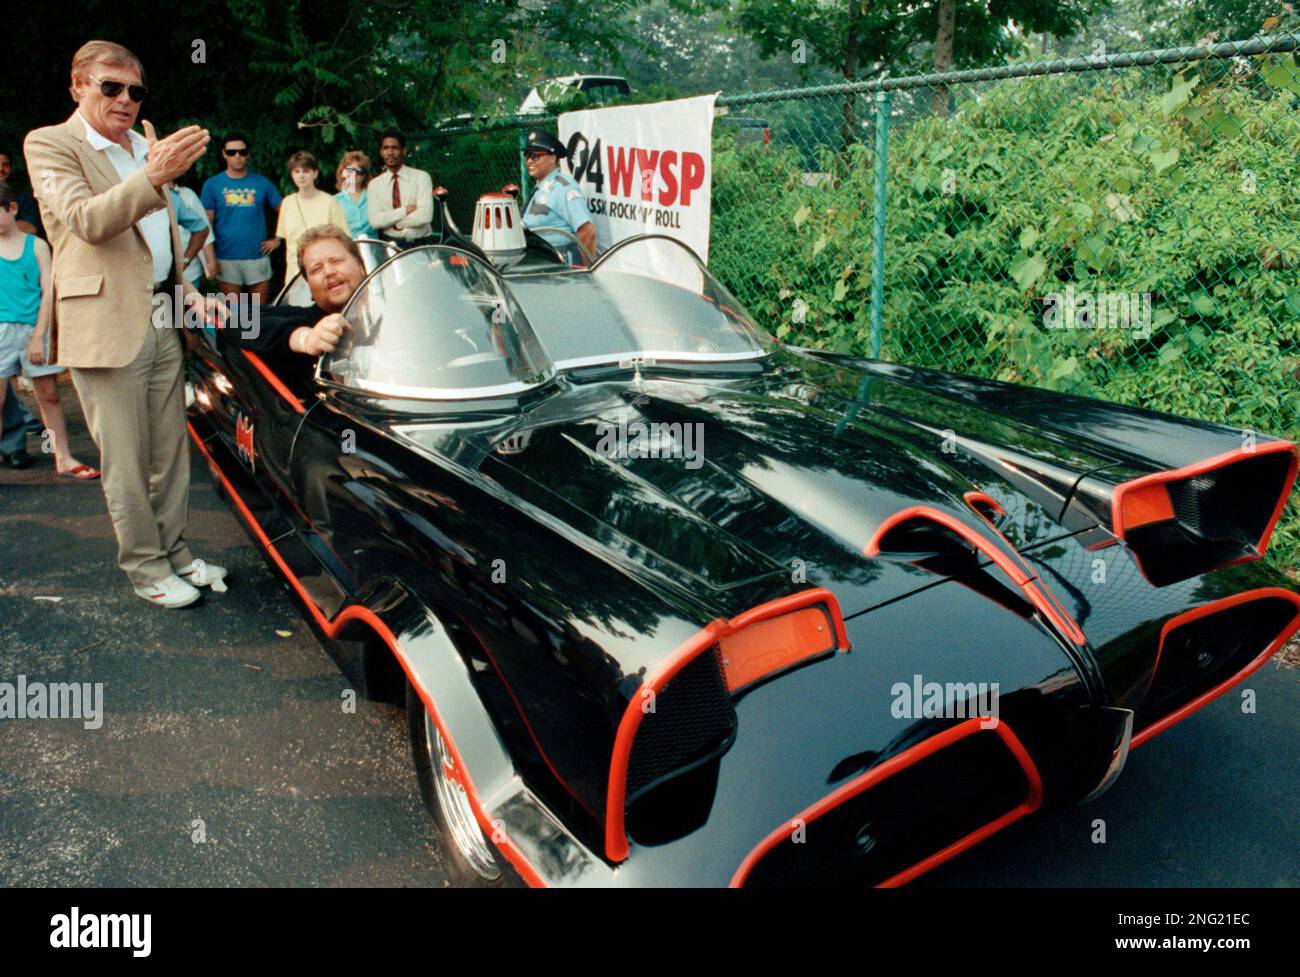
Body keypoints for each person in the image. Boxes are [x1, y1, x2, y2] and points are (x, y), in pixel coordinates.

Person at [24, 39, 227, 608]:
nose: (126, 99)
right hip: (104, 324)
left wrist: (187, 293)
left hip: (161, 315)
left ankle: (175, 552)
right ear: (77, 88)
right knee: (126, 459)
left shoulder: (147, 140)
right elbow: (87, 222)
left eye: (135, 90)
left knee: (170, 451)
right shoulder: (49, 143)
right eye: (109, 87)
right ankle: (144, 568)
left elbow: (158, 240)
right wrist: (153, 175)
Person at [0, 182, 98, 478]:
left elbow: (48, 292)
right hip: (1, 331)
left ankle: (59, 456)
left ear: (12, 208)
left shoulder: (36, 245)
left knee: (49, 396)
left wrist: (39, 334)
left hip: (34, 328)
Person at [238, 224, 362, 394]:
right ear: (309, 286)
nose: (329, 272)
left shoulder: (396, 308)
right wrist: (305, 338)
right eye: (316, 269)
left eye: (336, 261)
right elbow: (238, 321)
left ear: (361, 266)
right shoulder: (304, 319)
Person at [200, 133, 282, 303]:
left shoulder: (262, 183)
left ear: (248, 154)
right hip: (226, 257)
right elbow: (205, 223)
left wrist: (278, 239)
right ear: (224, 154)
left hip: (257, 256)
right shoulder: (212, 185)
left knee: (261, 313)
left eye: (242, 152)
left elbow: (286, 211)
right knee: (233, 314)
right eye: (231, 152)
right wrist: (210, 258)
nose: (237, 156)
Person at [521, 129, 596, 261]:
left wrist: (584, 274)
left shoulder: (564, 188)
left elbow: (587, 232)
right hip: (537, 260)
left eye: (535, 156)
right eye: (526, 155)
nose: (529, 161)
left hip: (557, 265)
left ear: (552, 158)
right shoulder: (541, 188)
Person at [275, 151, 349, 281]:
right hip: (295, 274)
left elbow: (344, 239)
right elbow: (287, 241)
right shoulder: (287, 203)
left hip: (325, 273)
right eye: (296, 171)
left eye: (306, 171)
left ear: (315, 173)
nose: (301, 176)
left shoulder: (330, 201)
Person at [366, 130, 433, 247]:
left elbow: (425, 215)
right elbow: (375, 222)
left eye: (395, 148)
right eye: (386, 148)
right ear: (381, 152)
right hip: (388, 244)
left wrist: (393, 224)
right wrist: (405, 210)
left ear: (404, 150)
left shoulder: (421, 177)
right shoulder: (374, 185)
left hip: (418, 243)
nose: (390, 152)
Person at [169, 180, 215, 287]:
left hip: (189, 271)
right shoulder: (145, 195)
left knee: (189, 302)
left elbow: (202, 228)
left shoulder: (188, 194)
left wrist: (211, 259)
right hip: (158, 273)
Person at [0, 150, 46, 238]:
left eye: (5, 165)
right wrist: (12, 226)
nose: (1, 169)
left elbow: (31, 228)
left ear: (10, 168)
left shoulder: (23, 197)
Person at [334, 151, 375, 239]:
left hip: (374, 248)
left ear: (364, 175)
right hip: (347, 249)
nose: (355, 174)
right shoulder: (335, 201)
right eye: (351, 170)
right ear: (343, 172)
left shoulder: (374, 197)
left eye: (359, 171)